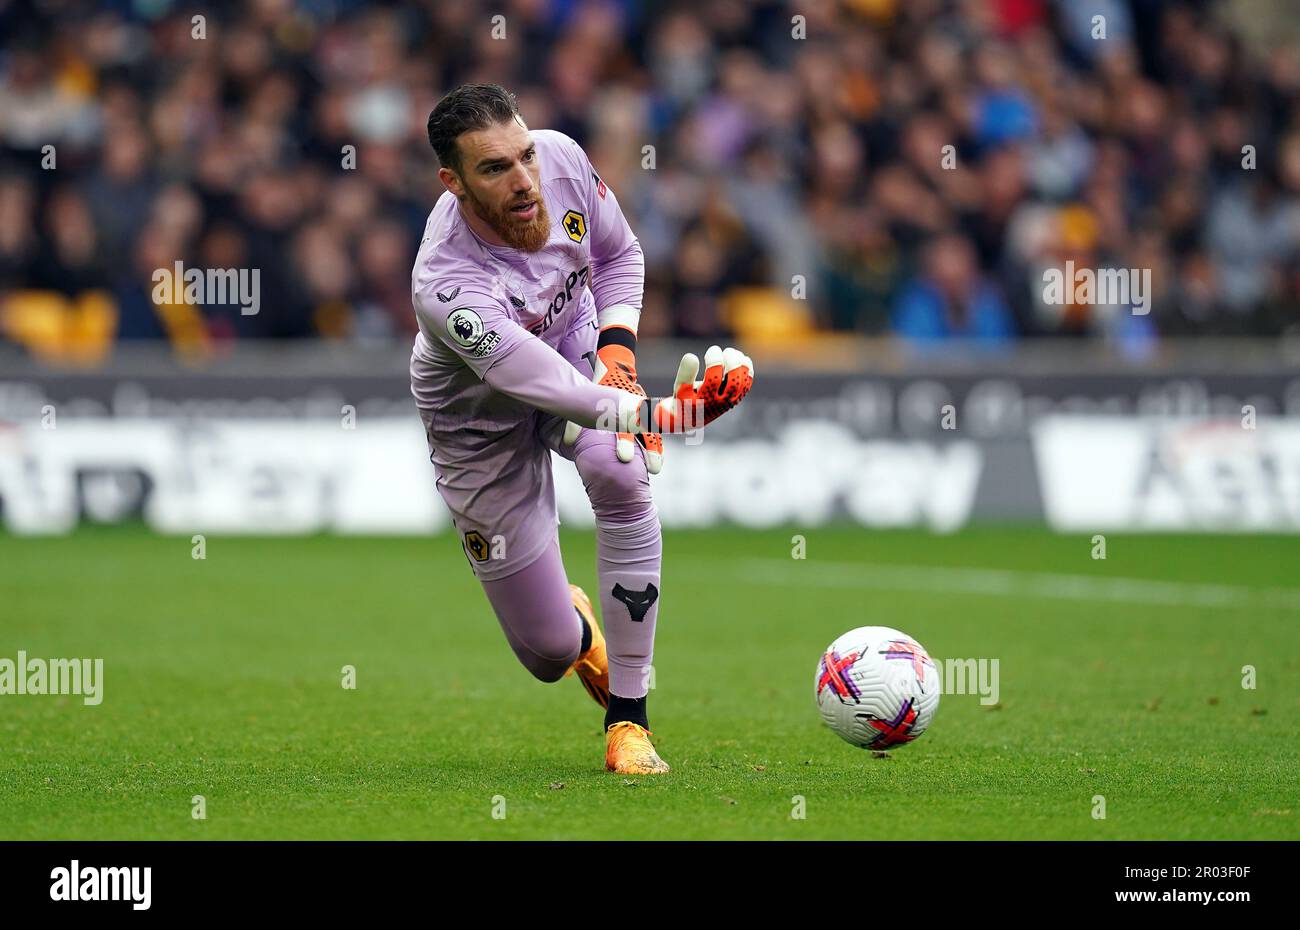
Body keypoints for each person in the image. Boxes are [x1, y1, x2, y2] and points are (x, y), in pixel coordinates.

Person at [410, 83, 754, 774]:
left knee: (619, 469)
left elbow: (620, 256)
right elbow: (552, 389)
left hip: (574, 352)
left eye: (525, 156)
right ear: (453, 183)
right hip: (478, 423)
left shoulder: (563, 159)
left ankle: (629, 722)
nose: (525, 181)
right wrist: (668, 414)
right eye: (495, 169)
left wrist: (618, 356)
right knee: (547, 654)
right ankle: (579, 632)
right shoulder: (445, 283)